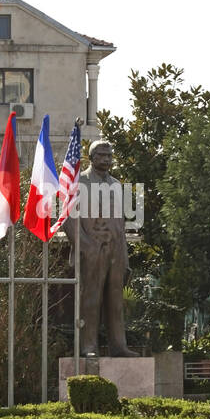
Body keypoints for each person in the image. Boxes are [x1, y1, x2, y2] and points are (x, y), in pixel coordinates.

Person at [75, 139, 137, 357]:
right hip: (93, 249)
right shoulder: (79, 181)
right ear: (91, 157)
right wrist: (85, 246)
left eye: (109, 155)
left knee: (115, 300)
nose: (107, 159)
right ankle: (88, 346)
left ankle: (118, 345)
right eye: (102, 155)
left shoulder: (116, 185)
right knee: (91, 299)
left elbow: (120, 223)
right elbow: (69, 219)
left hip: (115, 249)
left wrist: (125, 257)